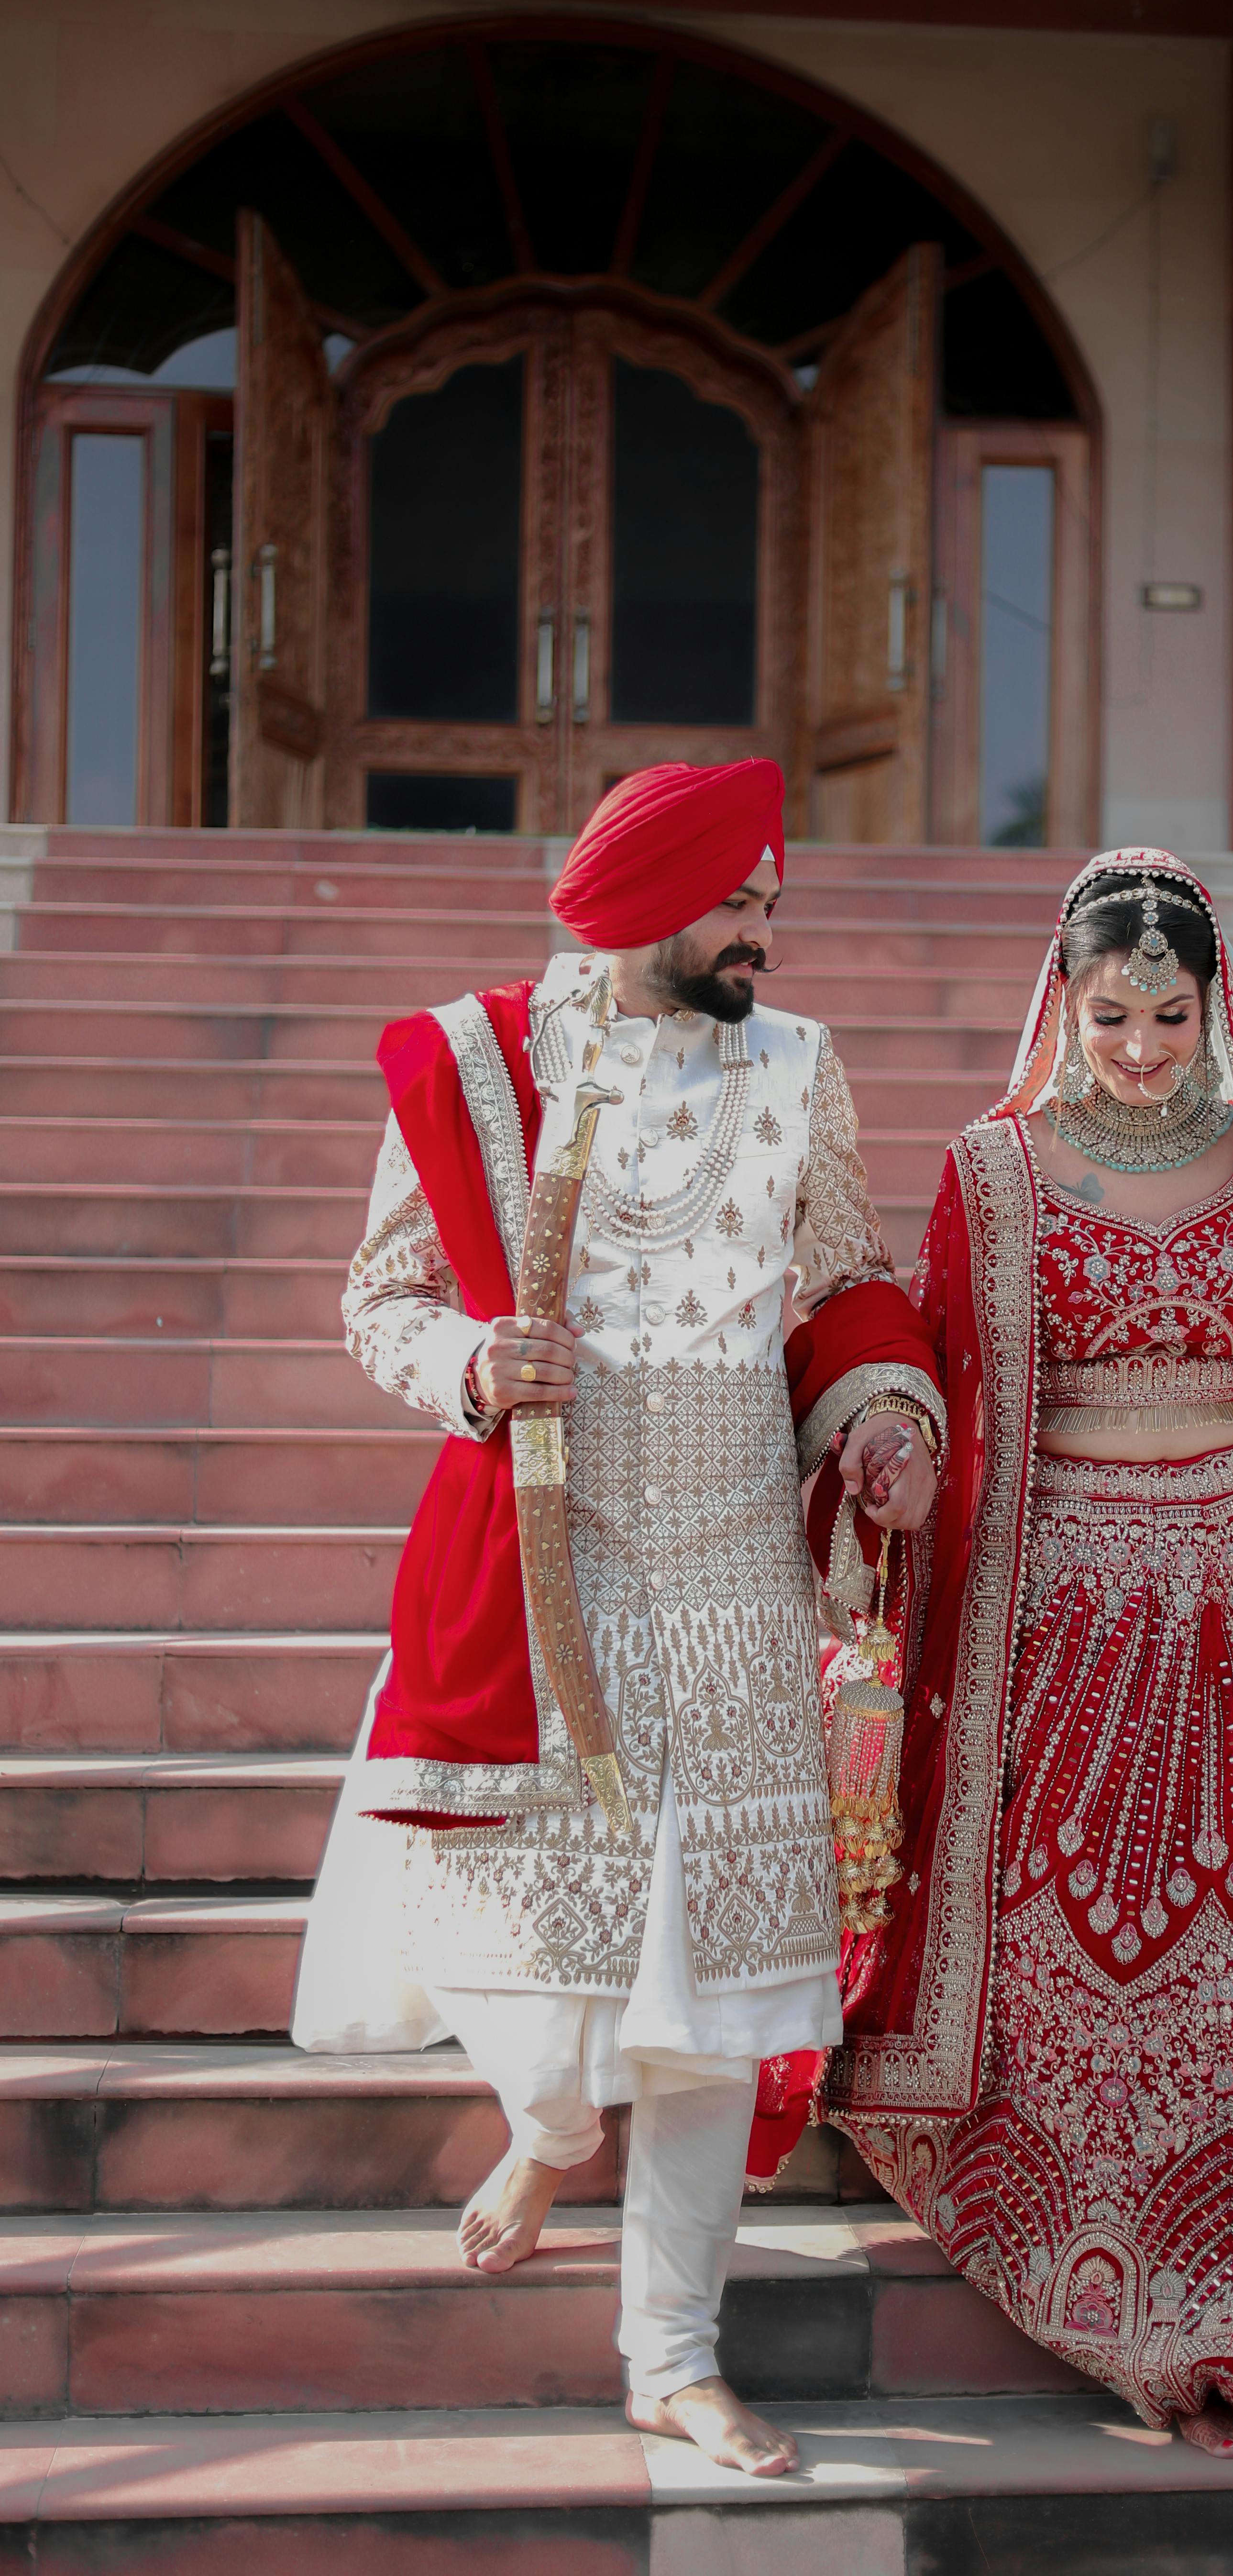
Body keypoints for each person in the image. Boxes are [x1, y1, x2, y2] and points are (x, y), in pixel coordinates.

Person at [291, 759, 944, 2478]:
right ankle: (549, 2113)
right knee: (510, 1896)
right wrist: (468, 1364)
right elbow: (383, 1296)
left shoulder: (800, 1069)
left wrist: (881, 1417)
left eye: (774, 911)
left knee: (723, 1980)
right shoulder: (481, 1059)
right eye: (743, 909)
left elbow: (842, 1281)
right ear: (654, 902)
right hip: (545, 1535)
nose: (765, 943)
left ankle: (672, 2358)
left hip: (733, 1547)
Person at [818, 851, 1233, 2459]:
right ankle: (1096, 2287)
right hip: (1058, 1622)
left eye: (1168, 1015)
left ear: (1212, 1006)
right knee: (1073, 1959)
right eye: (1108, 1014)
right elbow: (957, 1392)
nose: (1134, 1047)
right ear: (1064, 999)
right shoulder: (996, 1169)